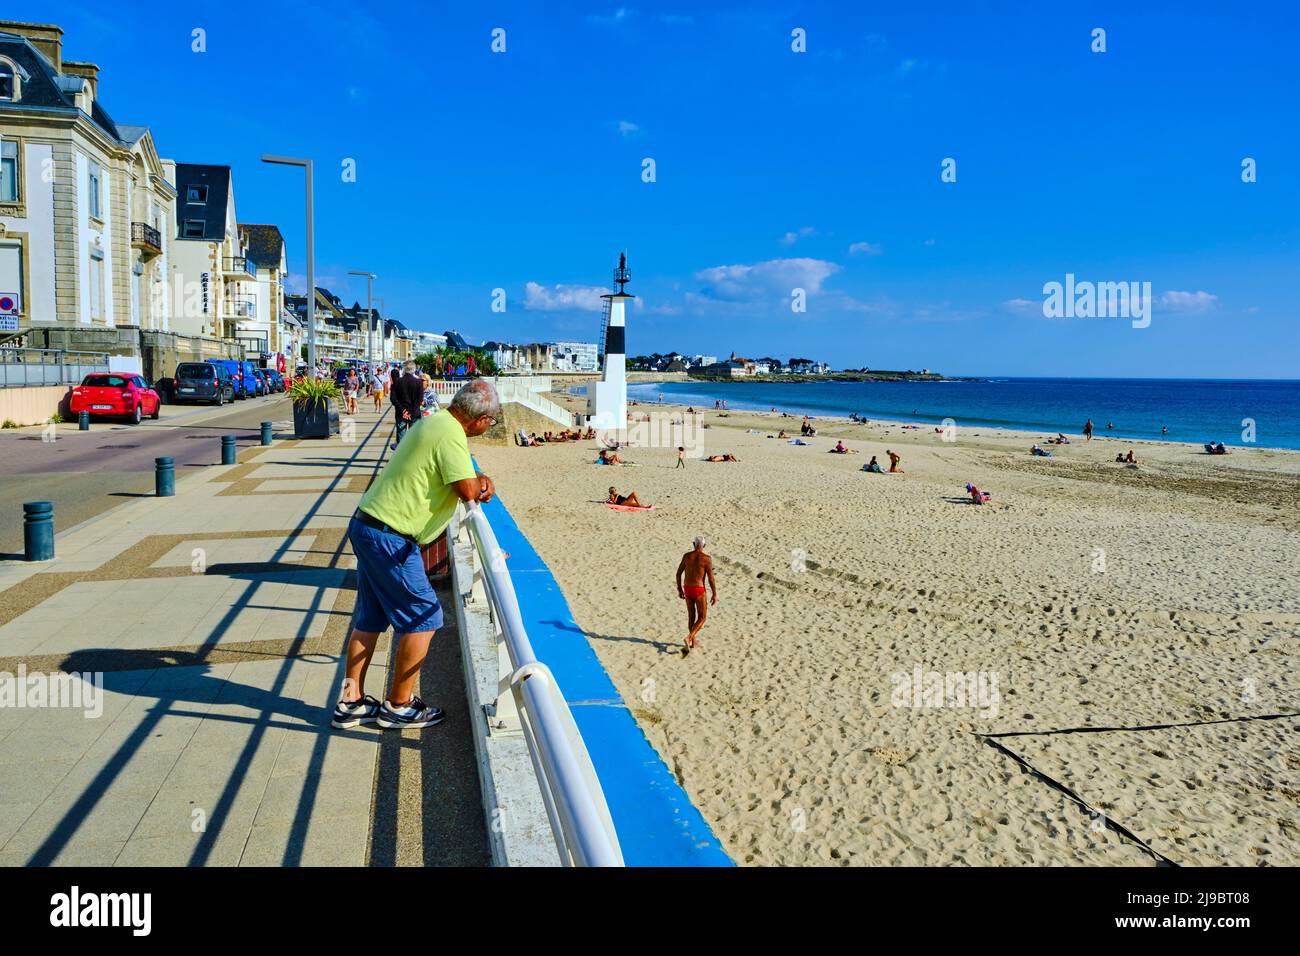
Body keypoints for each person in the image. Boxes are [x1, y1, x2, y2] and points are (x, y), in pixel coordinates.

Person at [333, 381, 501, 730]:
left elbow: (463, 477)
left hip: (369, 524)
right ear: (481, 420)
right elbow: (467, 489)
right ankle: (399, 704)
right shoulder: (451, 433)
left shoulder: (433, 422)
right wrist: (481, 481)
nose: (490, 427)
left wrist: (478, 475)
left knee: (370, 618)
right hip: (391, 537)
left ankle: (350, 702)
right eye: (493, 422)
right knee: (425, 616)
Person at [676, 535, 717, 656]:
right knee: (702, 617)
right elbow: (711, 579)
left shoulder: (687, 556)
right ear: (704, 546)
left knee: (691, 616)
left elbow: (678, 574)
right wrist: (714, 594)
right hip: (699, 589)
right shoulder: (706, 559)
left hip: (687, 588)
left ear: (694, 544)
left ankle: (693, 642)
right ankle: (690, 637)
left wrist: (679, 589)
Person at [390, 361, 424, 448]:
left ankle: (401, 458)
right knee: (414, 438)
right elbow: (419, 400)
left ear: (404, 369)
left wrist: (404, 411)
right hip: (415, 414)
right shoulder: (419, 382)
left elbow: (393, 399)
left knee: (401, 439)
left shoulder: (397, 382)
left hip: (401, 414)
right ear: (414, 370)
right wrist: (411, 413)